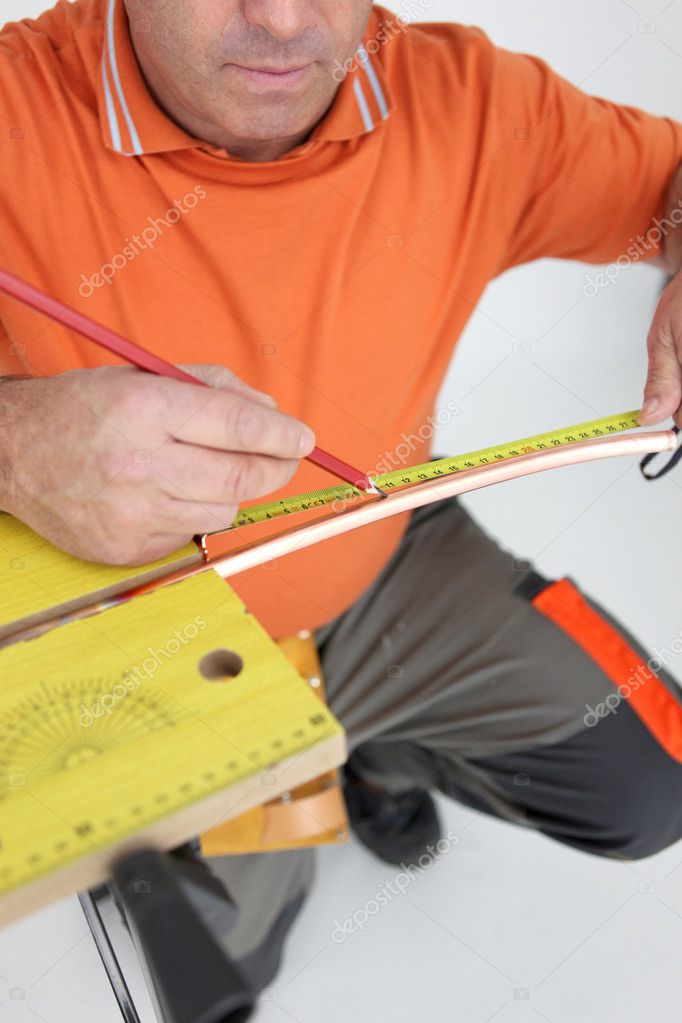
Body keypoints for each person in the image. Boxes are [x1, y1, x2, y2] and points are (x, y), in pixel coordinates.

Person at [2, 0, 682, 999]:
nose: (281, 21)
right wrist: (14, 446)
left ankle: (381, 756)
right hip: (140, 638)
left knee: (645, 789)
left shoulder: (472, 102)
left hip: (386, 556)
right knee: (225, 965)